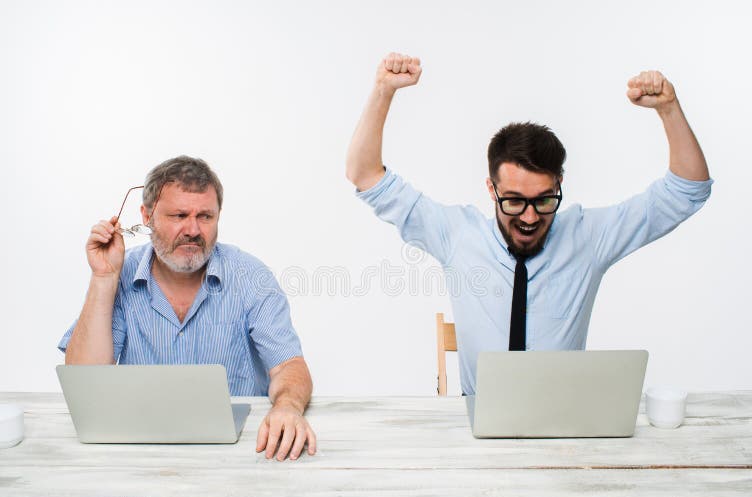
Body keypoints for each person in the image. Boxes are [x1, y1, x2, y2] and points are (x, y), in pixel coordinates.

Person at [346, 53, 712, 395]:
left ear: (559, 185)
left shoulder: (588, 236)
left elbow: (688, 192)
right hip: (479, 426)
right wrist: (382, 91)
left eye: (543, 199)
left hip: (563, 426)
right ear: (491, 189)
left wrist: (669, 109)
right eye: (515, 201)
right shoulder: (456, 234)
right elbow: (364, 175)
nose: (530, 216)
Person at [59, 156, 316, 461]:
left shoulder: (251, 277)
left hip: (240, 451)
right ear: (147, 215)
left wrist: (287, 406)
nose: (193, 229)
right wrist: (103, 278)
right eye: (179, 215)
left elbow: (290, 366)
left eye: (205, 216)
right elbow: (86, 384)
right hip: (140, 449)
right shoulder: (121, 274)